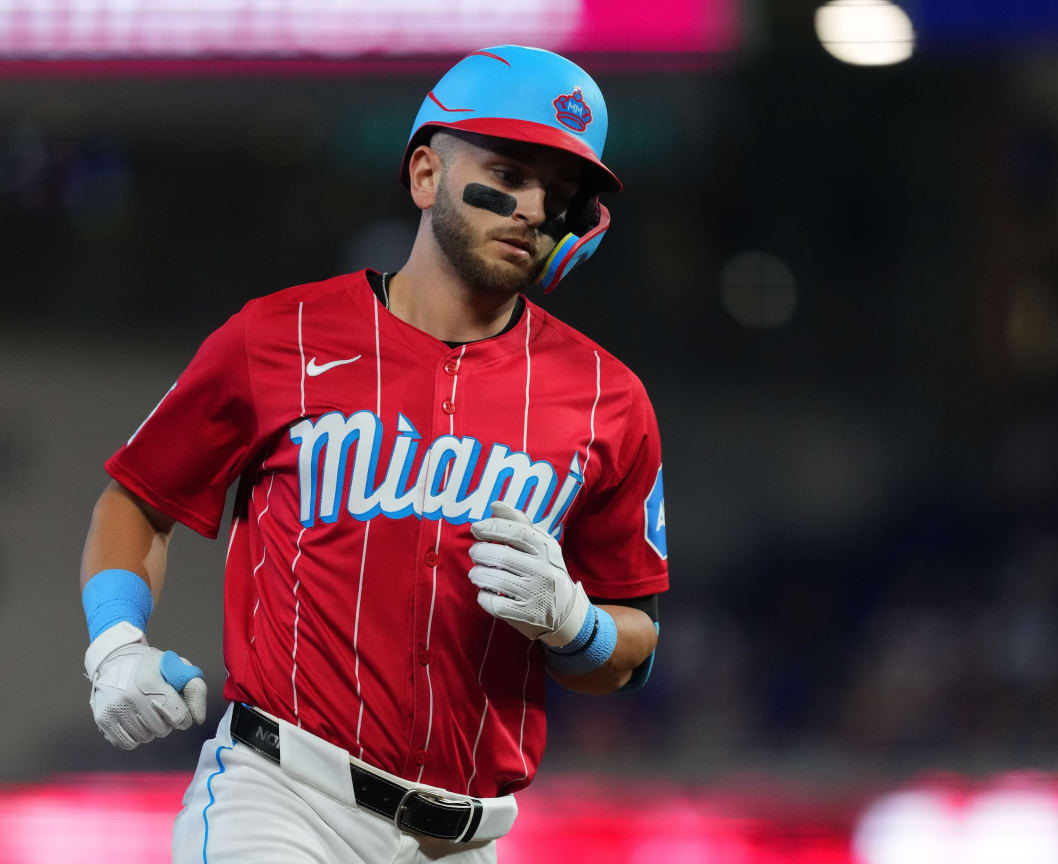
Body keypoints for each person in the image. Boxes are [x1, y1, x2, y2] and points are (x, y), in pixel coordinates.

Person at [78, 45, 668, 863]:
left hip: (467, 836)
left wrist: (577, 627)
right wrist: (115, 647)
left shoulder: (610, 398)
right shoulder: (276, 336)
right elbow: (138, 497)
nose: (532, 208)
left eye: (559, 194)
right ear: (425, 174)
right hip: (283, 799)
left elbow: (635, 644)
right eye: (507, 171)